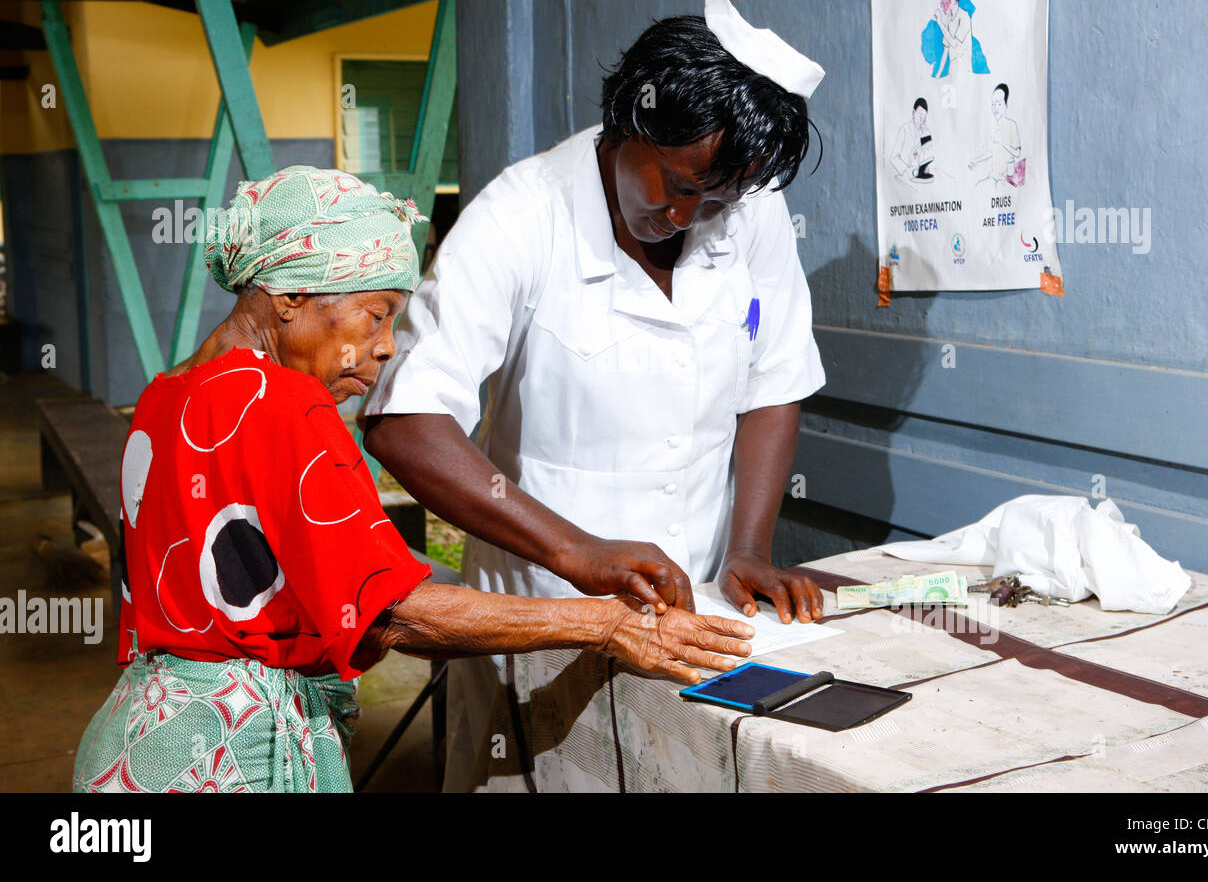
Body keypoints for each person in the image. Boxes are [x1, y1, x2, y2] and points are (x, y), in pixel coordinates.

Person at [72, 165, 753, 793]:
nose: (388, 343)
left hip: (139, 742)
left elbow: (264, 568)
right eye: (376, 311)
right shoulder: (285, 401)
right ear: (292, 295)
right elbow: (394, 614)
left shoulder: (165, 396)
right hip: (233, 754)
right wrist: (605, 625)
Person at [362, 0, 828, 791]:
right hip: (545, 610)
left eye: (719, 198)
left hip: (694, 616)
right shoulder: (521, 216)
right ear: (630, 121)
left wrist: (749, 545)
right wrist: (574, 551)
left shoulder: (744, 216)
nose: (691, 216)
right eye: (679, 186)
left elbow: (775, 378)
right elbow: (406, 419)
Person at [968, 83, 1023, 185]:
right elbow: (990, 152)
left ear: (1005, 106)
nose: (995, 108)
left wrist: (1003, 143)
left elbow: (1017, 153)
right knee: (979, 187)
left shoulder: (1011, 125)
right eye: (993, 104)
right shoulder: (994, 128)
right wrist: (975, 160)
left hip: (1007, 176)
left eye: (999, 104)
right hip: (994, 175)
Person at [891, 97, 936, 183]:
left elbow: (928, 155)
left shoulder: (926, 131)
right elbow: (893, 157)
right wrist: (906, 170)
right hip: (904, 176)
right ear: (913, 112)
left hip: (919, 178)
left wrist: (925, 169)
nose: (922, 118)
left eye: (924, 116)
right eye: (920, 115)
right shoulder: (904, 130)